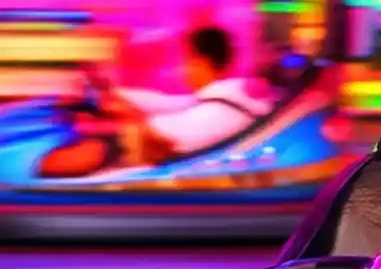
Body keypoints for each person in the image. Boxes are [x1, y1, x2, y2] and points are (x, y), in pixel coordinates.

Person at [38, 25, 270, 178]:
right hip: (182, 160)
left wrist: (121, 111)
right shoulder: (223, 96)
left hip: (177, 168)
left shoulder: (215, 111)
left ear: (200, 61)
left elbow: (157, 129)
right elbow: (167, 103)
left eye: (185, 61)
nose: (182, 69)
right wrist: (111, 94)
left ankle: (40, 181)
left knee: (107, 146)